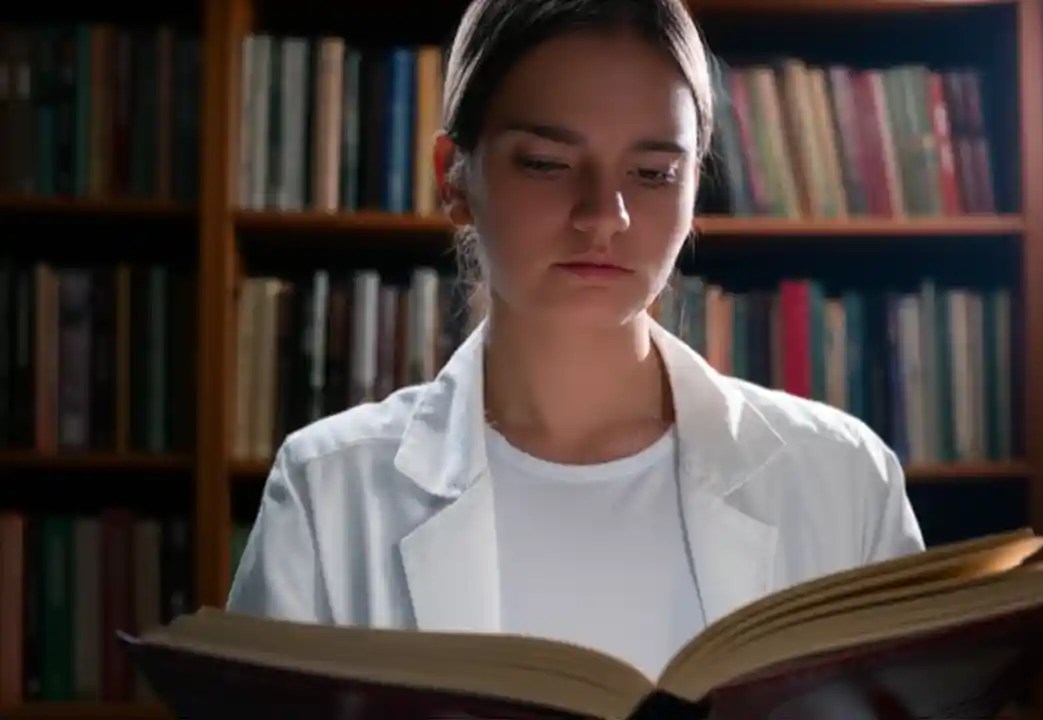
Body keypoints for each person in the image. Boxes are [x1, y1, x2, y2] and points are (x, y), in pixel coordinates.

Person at [226, 0, 925, 685]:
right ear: (454, 177)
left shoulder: (842, 481)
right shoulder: (329, 492)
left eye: (652, 174)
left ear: (693, 186)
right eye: (546, 163)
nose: (604, 216)